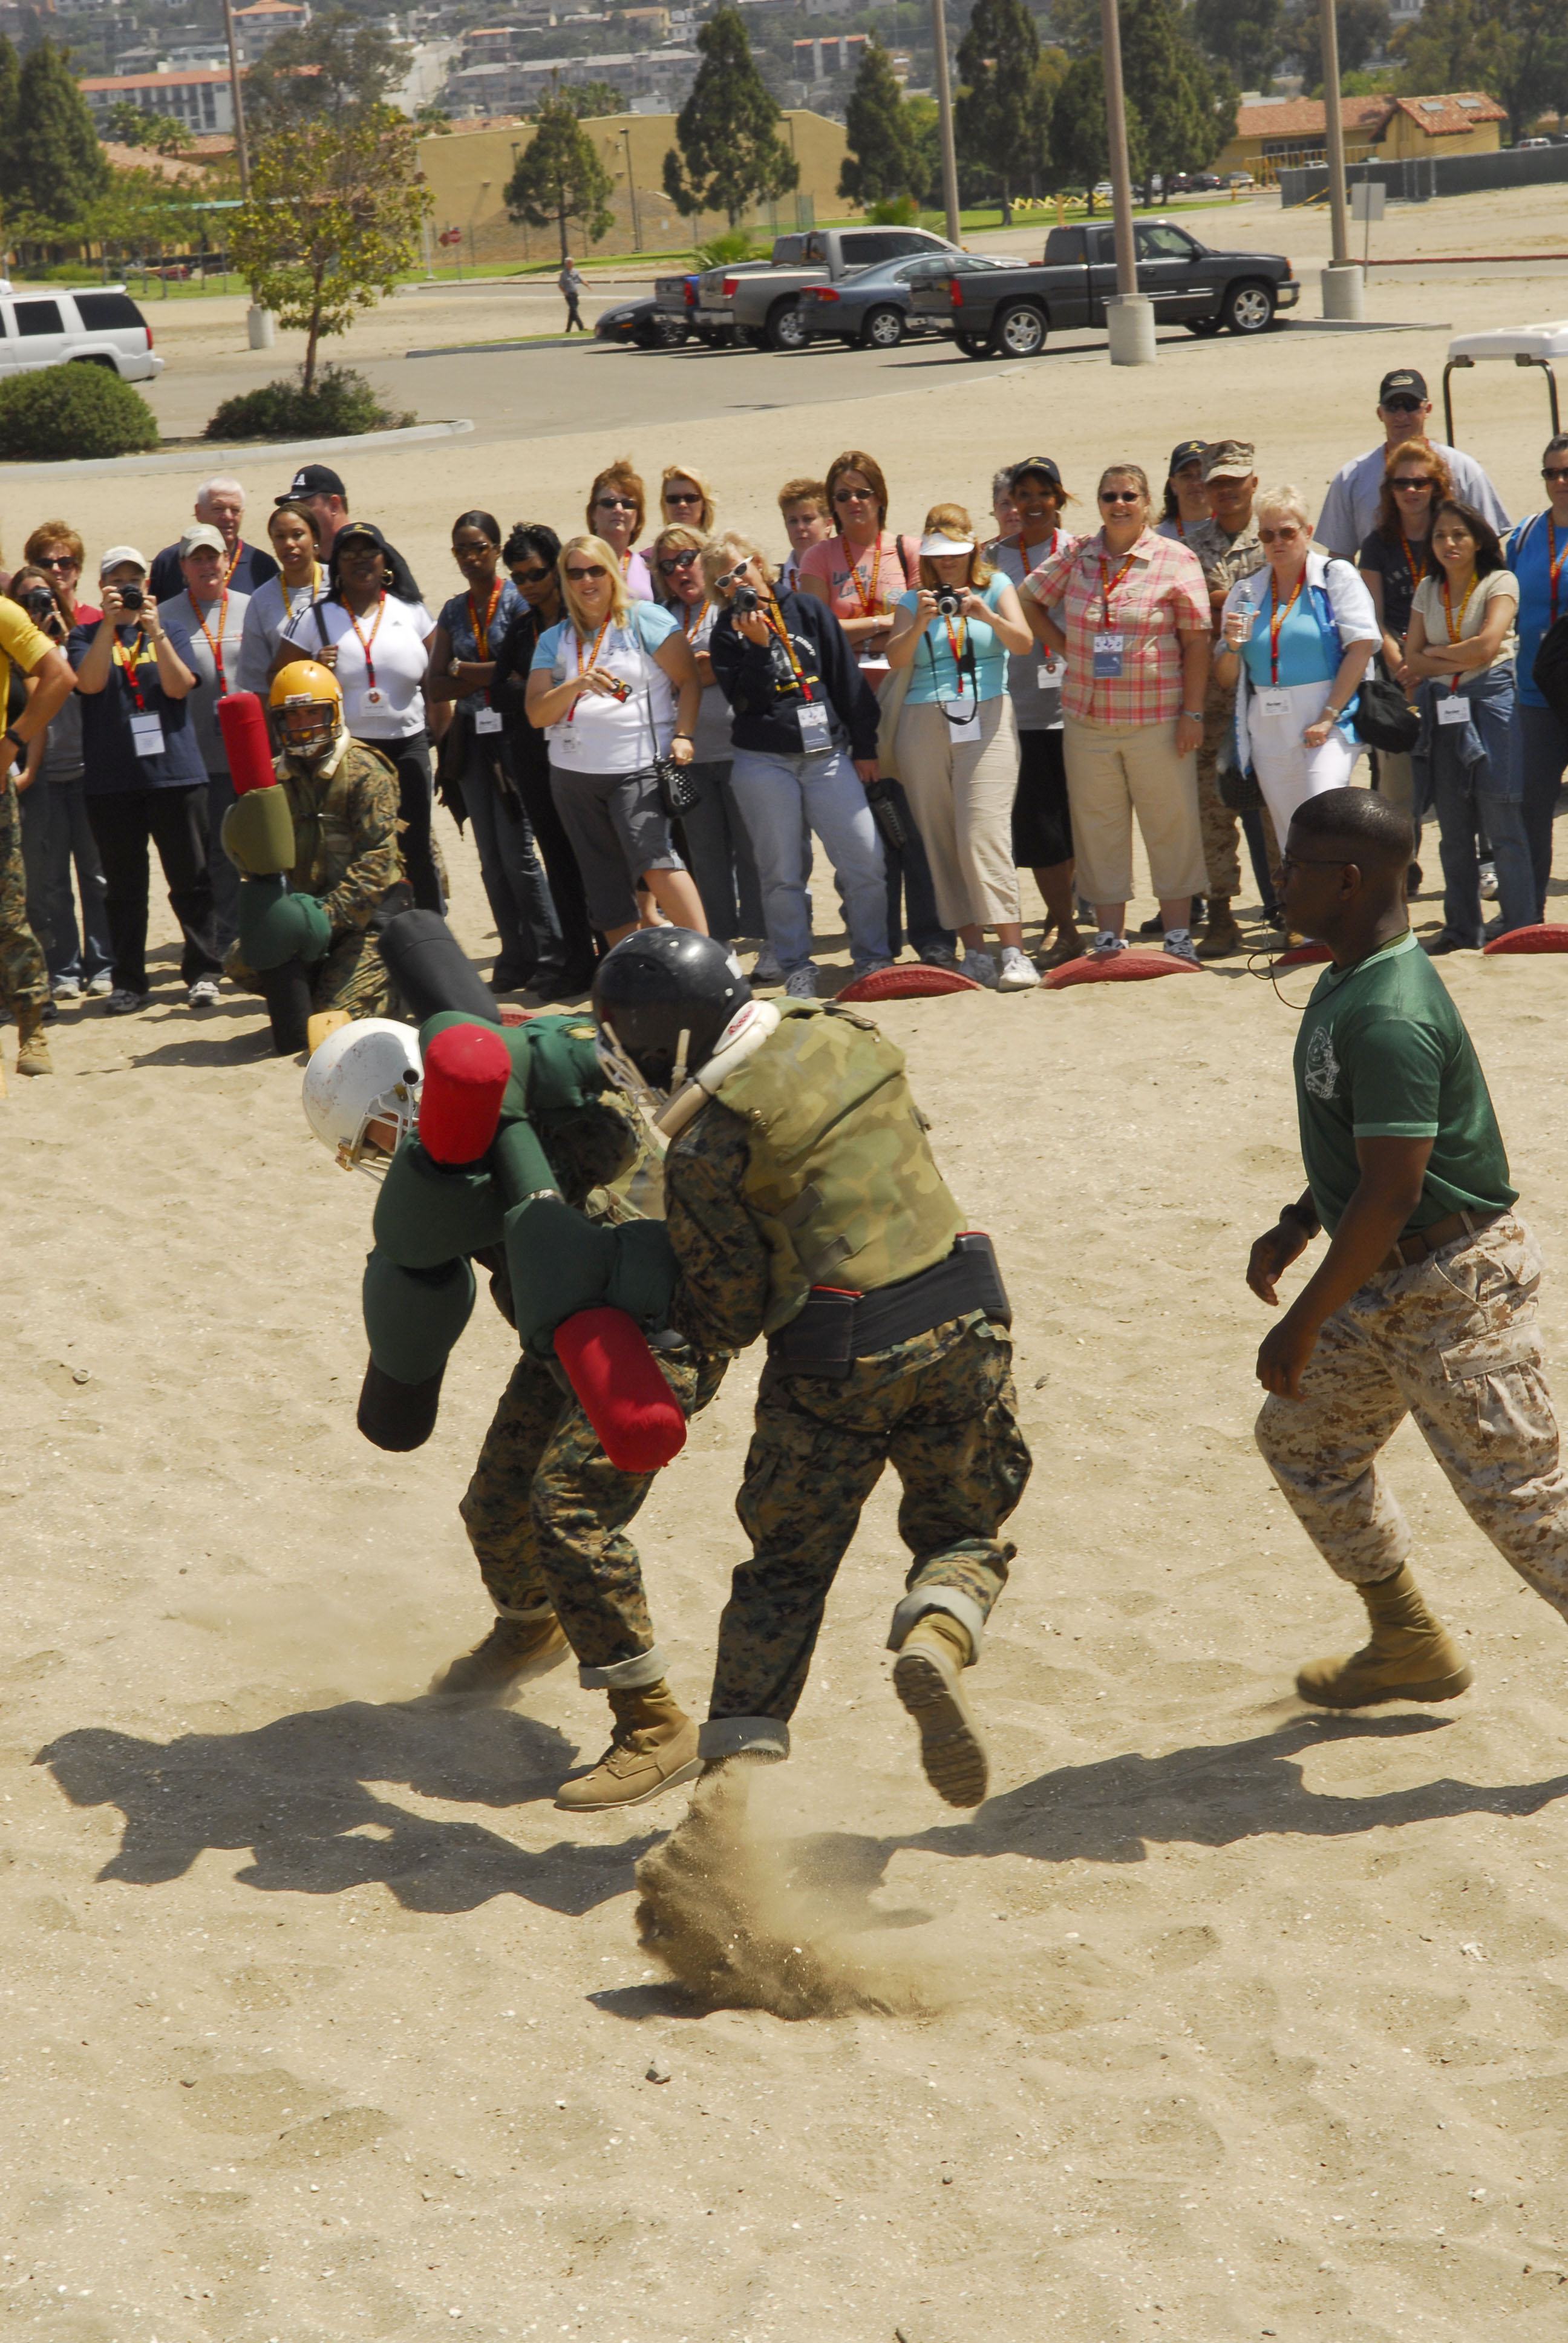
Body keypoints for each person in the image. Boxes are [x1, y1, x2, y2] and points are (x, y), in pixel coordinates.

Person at [592, 928, 1033, 1805]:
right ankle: (936, 1633)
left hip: (839, 1355)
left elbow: (729, 1312)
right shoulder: (849, 1033)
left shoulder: (707, 1148)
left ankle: (732, 1792)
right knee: (964, 1527)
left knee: (785, 1570)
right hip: (964, 1310)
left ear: (665, 1039)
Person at [305, 1017, 727, 1810]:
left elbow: (616, 1162)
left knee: (567, 1510)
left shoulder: (554, 1124)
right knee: (493, 1507)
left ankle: (653, 1719)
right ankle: (532, 1624)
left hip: (657, 1332)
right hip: (567, 1336)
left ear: (416, 1096)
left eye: (378, 1136)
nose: (383, 1160)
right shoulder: (450, 1172)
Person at [1248, 785, 1568, 1710]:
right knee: (1303, 1443)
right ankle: (1408, 1643)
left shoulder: (1389, 1009)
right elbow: (1370, 1154)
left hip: (1451, 1285)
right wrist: (1302, 1219)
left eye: (1295, 866)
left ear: (1346, 881)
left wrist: (1303, 1321)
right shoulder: (1352, 975)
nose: (1281, 880)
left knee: (1528, 1508)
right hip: (1385, 1277)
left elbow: (1391, 1193)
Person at [1022, 463, 1212, 962]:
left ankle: (1177, 934)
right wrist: (1068, 649)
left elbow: (1196, 641)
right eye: (1109, 496)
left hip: (1158, 718)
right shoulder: (1079, 554)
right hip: (1088, 720)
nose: (1119, 504)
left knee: (1170, 824)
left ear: (1147, 502)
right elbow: (1028, 600)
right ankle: (1110, 936)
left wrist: (1193, 714)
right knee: (1097, 826)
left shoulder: (1175, 558)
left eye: (1129, 495)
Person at [704, 531, 891, 996]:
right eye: (723, 581)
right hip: (764, 762)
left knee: (865, 858)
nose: (736, 583)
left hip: (827, 755)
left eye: (740, 568)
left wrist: (865, 748)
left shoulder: (807, 610)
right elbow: (745, 701)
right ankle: (795, 966)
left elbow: (846, 681)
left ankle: (872, 958)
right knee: (782, 873)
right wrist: (759, 647)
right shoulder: (727, 634)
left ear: (759, 563)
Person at [797, 448, 955, 966]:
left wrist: (876, 629)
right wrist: (880, 626)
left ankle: (932, 938)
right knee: (867, 833)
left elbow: (922, 619)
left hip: (908, 696)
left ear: (880, 496)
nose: (853, 502)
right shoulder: (818, 559)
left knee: (917, 822)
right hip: (850, 704)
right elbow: (816, 631)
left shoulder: (908, 550)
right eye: (842, 496)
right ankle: (878, 945)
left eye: (863, 491)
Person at [524, 533, 707, 945]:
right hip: (573, 775)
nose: (587, 581)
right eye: (575, 573)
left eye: (596, 570)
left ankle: (714, 960)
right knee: (602, 882)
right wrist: (575, 685)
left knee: (655, 862)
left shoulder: (645, 619)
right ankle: (631, 978)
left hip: (638, 766)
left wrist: (684, 735)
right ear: (564, 581)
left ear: (613, 573)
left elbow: (689, 681)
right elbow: (537, 714)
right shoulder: (554, 640)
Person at [884, 505, 1038, 991]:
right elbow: (894, 657)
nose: (947, 563)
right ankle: (974, 951)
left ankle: (1013, 950)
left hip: (988, 710)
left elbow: (1024, 644)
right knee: (940, 835)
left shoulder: (996, 586)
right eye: (938, 555)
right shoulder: (913, 598)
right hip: (922, 720)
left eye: (955, 553)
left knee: (983, 830)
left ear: (972, 548)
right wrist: (918, 621)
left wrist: (985, 614)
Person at [70, 546, 224, 1016]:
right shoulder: (84, 635)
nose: (129, 587)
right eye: (118, 581)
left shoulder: (170, 630)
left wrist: (154, 631)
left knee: (192, 881)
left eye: (135, 578)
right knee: (123, 889)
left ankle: (203, 972)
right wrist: (109, 628)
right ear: (103, 589)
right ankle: (129, 982)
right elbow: (90, 684)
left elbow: (180, 687)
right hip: (112, 783)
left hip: (176, 776)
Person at [427, 509, 564, 997]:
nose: (470, 557)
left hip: (515, 736)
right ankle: (514, 952)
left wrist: (464, 669)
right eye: (460, 549)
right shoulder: (451, 609)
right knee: (490, 857)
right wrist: (481, 673)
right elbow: (434, 683)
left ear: (495, 548)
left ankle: (550, 950)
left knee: (518, 852)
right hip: (471, 738)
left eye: (478, 547)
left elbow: (517, 676)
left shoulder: (517, 602)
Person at [276, 519, 443, 916]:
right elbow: (278, 678)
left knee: (415, 841)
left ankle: (430, 930)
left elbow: (438, 680)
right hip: (350, 752)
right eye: (348, 554)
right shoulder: (316, 618)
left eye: (368, 551)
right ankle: (369, 933)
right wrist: (313, 665)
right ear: (336, 566)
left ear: (385, 560)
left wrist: (447, 737)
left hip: (409, 743)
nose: (359, 560)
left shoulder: (412, 611)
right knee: (359, 846)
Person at [225, 659, 403, 1024]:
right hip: (310, 911)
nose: (303, 726)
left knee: (337, 1017)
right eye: (293, 716)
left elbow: (376, 862)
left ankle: (388, 979)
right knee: (242, 960)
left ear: (333, 713)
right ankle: (325, 978)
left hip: (366, 917)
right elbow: (258, 862)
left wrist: (323, 919)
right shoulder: (274, 780)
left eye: (312, 713)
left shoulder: (366, 772)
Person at [1214, 486, 1379, 880]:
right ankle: (1312, 931)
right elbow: (1225, 677)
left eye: (1287, 532)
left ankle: (1356, 906)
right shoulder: (1246, 591)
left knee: (1324, 807)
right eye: (1267, 535)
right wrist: (1233, 647)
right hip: (1268, 723)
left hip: (1328, 713)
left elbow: (1361, 648)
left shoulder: (1334, 576)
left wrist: (1328, 715)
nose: (1277, 543)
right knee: (1292, 833)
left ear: (1307, 531)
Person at [1402, 497, 1528, 952]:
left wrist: (1435, 656)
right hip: (1444, 707)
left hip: (1492, 701)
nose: (1449, 543)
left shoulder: (1500, 581)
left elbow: (1488, 647)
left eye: (1458, 534)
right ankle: (1462, 929)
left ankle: (1518, 922)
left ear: (1478, 539)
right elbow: (1409, 659)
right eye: (1439, 535)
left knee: (1501, 813)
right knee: (1453, 824)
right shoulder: (1427, 589)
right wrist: (1450, 655)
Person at [490, 522, 596, 998]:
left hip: (587, 755)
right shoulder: (521, 627)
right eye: (517, 578)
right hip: (534, 760)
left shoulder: (582, 623)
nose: (528, 586)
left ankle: (610, 952)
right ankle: (578, 963)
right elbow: (498, 694)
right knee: (558, 860)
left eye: (535, 574)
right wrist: (549, 694)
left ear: (555, 568)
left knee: (596, 858)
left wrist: (536, 693)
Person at [1176, 440, 1270, 961]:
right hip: (1213, 698)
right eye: (1217, 483)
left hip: (1272, 690)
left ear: (1253, 481)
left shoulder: (1278, 533)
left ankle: (1289, 908)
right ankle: (1222, 915)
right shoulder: (1190, 547)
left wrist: (1225, 602)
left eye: (1236, 480)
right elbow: (1192, 614)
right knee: (1212, 812)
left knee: (1279, 804)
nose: (1227, 490)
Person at [650, 519, 765, 945]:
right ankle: (718, 939)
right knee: (706, 856)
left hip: (739, 748)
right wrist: (697, 668)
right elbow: (671, 677)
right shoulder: (661, 618)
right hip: (689, 755)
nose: (680, 571)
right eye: (667, 567)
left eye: (686, 559)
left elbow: (724, 665)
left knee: (752, 850)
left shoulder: (729, 605)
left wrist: (696, 668)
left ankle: (759, 936)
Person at [986, 456, 1081, 968]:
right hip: (1018, 708)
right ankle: (1065, 924)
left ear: (1060, 497)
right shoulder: (988, 558)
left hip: (1078, 704)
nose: (1033, 504)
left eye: (1043, 494)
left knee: (1076, 822)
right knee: (1042, 826)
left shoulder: (1081, 551)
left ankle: (1059, 916)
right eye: (1023, 495)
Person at [18, 523, 111, 1001]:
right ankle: (65, 968)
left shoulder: (91, 622)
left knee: (96, 875)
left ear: (77, 570)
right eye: (47, 564)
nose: (57, 573)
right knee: (51, 881)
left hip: (89, 768)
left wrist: (65, 634)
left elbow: (90, 685)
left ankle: (103, 963)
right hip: (41, 778)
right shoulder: (14, 635)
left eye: (66, 564)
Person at [157, 520, 250, 958]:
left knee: (256, 847)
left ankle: (256, 932)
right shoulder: (166, 615)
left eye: (213, 556)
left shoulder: (253, 607)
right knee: (213, 856)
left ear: (228, 561)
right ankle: (223, 939)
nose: (207, 565)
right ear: (183, 566)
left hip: (250, 754)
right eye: (197, 558)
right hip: (197, 755)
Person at [1356, 437, 1448, 856]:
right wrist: (1403, 666)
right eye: (1400, 483)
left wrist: (1425, 664)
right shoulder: (1378, 544)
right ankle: (1401, 864)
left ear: (1436, 486)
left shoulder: (1453, 534)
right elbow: (1372, 617)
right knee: (1395, 785)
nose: (1410, 491)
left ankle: (1478, 864)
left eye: (1420, 482)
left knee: (1459, 777)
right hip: (1396, 676)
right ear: (1389, 490)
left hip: (1450, 667)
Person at [1315, 369, 1509, 559]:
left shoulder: (1464, 470)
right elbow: (1340, 558)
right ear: (1380, 413)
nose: (1401, 415)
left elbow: (1491, 547)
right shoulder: (1350, 478)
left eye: (1410, 405)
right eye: (1392, 406)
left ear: (1428, 409)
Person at [0, 583, 74, 1074]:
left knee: (8, 914)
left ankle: (32, 1032)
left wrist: (11, 743)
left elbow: (59, 675)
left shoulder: (3, 614)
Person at [1504, 432, 1568, 920]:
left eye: (1567, 472)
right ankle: (1527, 913)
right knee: (1531, 808)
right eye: (1551, 472)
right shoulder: (1526, 535)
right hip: (1534, 695)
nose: (1560, 481)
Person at [236, 500, 325, 696]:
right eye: (280, 537)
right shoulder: (261, 600)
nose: (289, 544)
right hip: (290, 715)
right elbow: (257, 683)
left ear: (315, 538)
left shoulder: (338, 583)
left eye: (298, 534)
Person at [148, 476, 278, 605]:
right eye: (218, 509)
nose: (228, 517)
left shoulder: (262, 565)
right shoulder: (168, 561)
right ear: (198, 512)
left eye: (235, 510)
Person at [586, 460, 653, 601]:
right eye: (609, 503)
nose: (618, 509)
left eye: (628, 504)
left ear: (638, 517)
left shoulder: (649, 568)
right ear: (593, 514)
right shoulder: (578, 566)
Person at [776, 477, 831, 591]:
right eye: (793, 521)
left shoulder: (844, 571)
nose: (800, 527)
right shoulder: (774, 580)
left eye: (808, 519)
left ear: (828, 524)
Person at [1155, 439, 1211, 542]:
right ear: (1173, 484)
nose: (1195, 483)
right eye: (1187, 476)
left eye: (1202, 474)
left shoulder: (1230, 525)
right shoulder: (1159, 537)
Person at [657, 466, 716, 535]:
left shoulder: (720, 545)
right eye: (673, 499)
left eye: (691, 498)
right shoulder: (658, 546)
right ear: (664, 504)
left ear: (704, 503)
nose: (682, 504)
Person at [988, 466, 1020, 546]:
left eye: (1019, 503)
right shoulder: (981, 555)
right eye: (1005, 504)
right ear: (995, 507)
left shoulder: (1052, 553)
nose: (1014, 510)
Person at [558, 255, 587, 333]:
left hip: (575, 294)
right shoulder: (563, 274)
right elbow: (560, 285)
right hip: (569, 295)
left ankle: (568, 330)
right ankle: (581, 327)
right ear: (566, 264)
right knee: (574, 310)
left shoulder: (576, 271)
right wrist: (565, 292)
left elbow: (580, 279)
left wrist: (586, 284)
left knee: (572, 312)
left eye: (571, 263)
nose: (571, 264)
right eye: (569, 263)